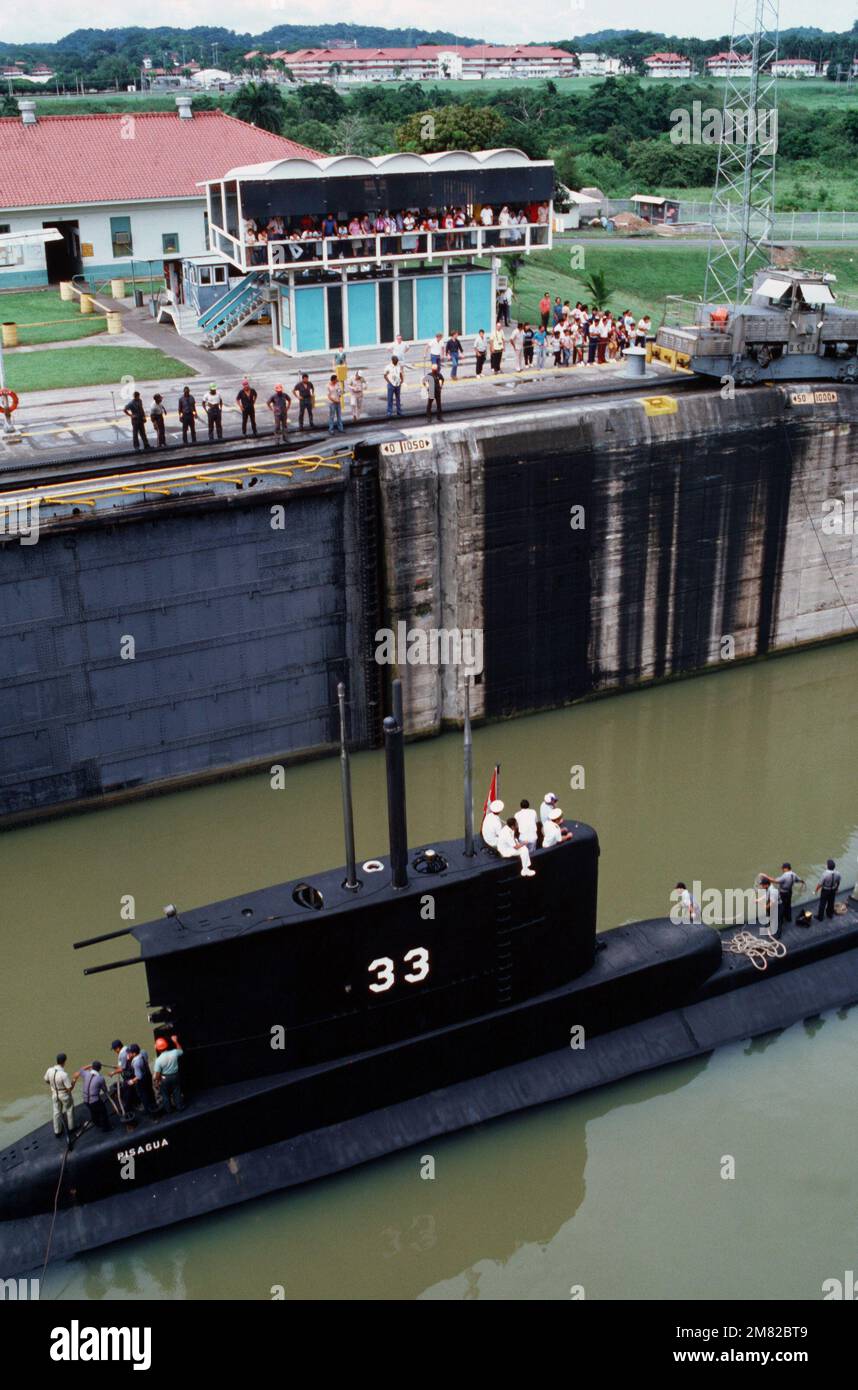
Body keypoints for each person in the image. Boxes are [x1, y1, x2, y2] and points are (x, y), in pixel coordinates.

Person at [44, 1052, 77, 1139]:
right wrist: (74, 1080)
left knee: (56, 1112)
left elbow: (46, 1080)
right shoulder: (63, 1074)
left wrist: (53, 1087)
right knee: (69, 1109)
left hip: (54, 1093)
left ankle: (57, 1131)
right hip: (64, 1094)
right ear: (64, 1062)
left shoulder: (49, 1070)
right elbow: (69, 1088)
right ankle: (71, 1128)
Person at [153, 1034, 184, 1112]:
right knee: (177, 1092)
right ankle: (179, 1107)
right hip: (175, 1075)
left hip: (165, 1078)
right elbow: (181, 1051)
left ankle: (169, 1110)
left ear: (158, 1049)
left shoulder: (158, 1060)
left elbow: (157, 1074)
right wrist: (175, 1041)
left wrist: (157, 1081)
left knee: (165, 1095)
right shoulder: (174, 1052)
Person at [126, 1044, 156, 1114]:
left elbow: (139, 1076)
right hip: (148, 1075)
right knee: (150, 1091)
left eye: (130, 1052)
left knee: (143, 1095)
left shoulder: (136, 1062)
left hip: (142, 1080)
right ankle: (154, 1104)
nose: (128, 1054)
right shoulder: (143, 1052)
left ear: (134, 1053)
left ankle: (148, 1111)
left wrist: (132, 1081)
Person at [81, 1061, 111, 1131]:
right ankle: (106, 1128)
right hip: (94, 1101)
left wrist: (89, 1065)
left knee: (93, 1111)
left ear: (92, 1067)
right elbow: (105, 1090)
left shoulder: (86, 1073)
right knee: (103, 1112)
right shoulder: (100, 1078)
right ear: (99, 1069)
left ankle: (97, 1123)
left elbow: (81, 1069)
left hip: (85, 1100)